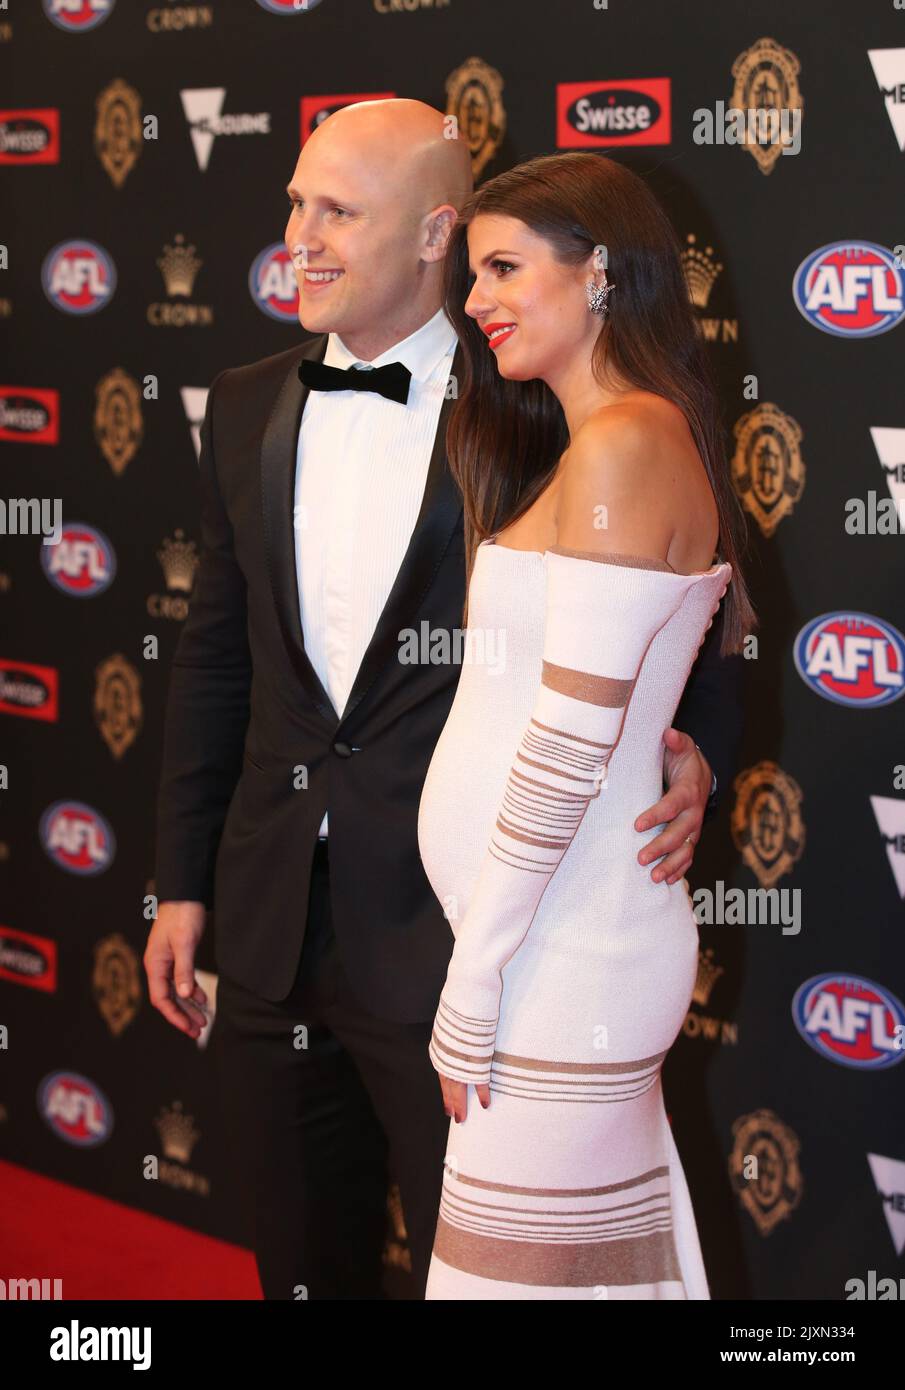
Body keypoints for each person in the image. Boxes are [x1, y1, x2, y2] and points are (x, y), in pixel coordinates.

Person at [144, 100, 744, 1300]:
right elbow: (214, 661)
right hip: (272, 928)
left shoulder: (532, 392)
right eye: (292, 204)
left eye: (335, 210)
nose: (297, 236)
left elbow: (692, 605)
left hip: (467, 945)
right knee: (302, 1265)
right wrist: (182, 880)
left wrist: (689, 758)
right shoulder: (248, 403)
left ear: (432, 234)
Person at [419, 150, 757, 1300]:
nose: (475, 300)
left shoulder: (623, 443)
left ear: (599, 271)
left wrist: (473, 980)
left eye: (505, 266)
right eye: (473, 272)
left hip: (563, 956)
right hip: (542, 942)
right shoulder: (601, 441)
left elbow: (566, 749)